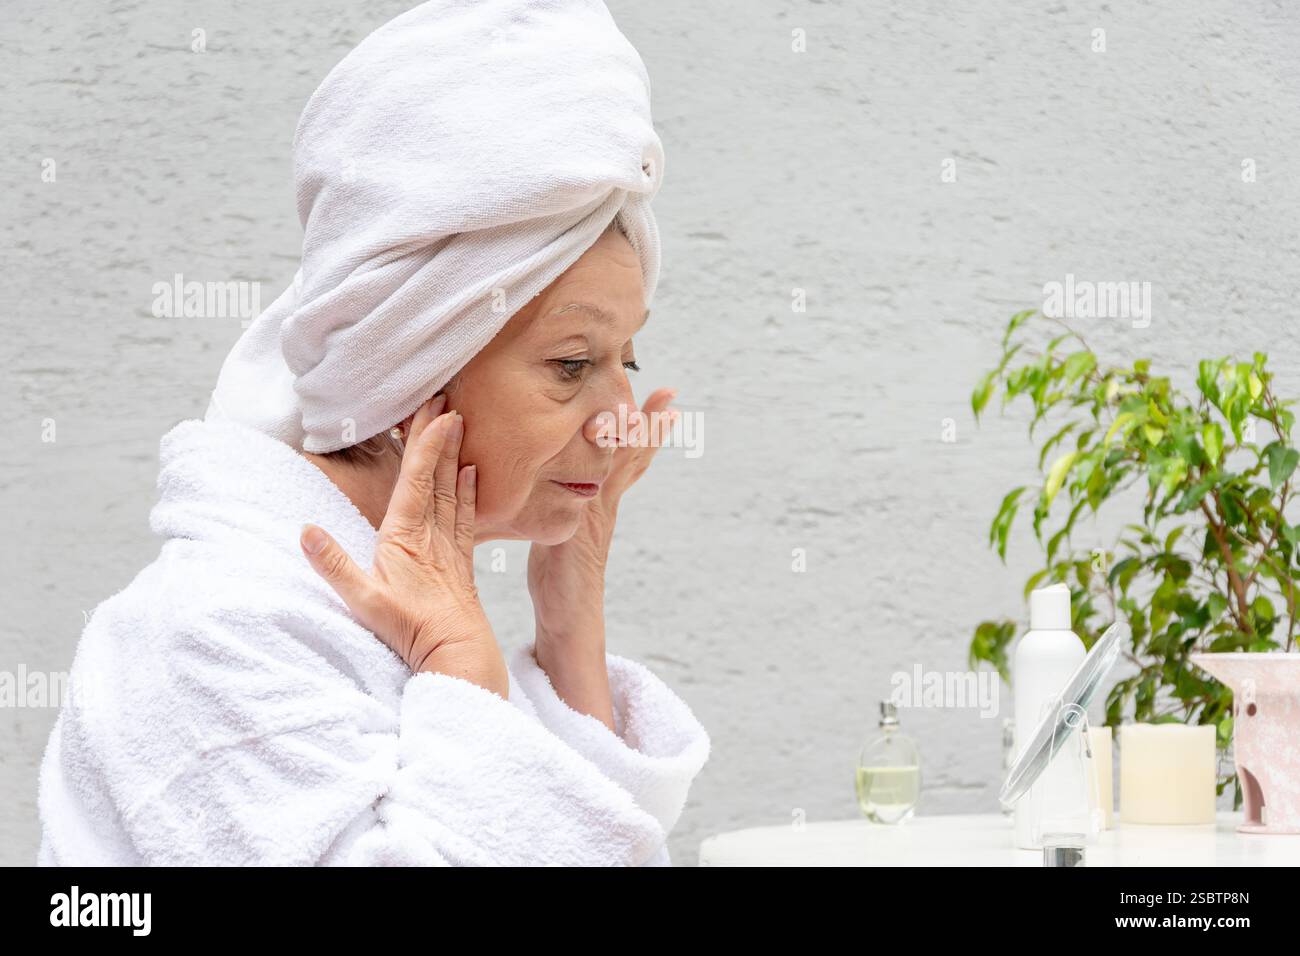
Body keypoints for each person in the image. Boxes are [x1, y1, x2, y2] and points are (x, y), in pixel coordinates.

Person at [36, 0, 709, 866]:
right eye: (574, 365)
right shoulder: (211, 632)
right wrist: (463, 672)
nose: (620, 415)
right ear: (409, 367)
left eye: (631, 359)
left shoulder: (384, 609)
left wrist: (570, 623)